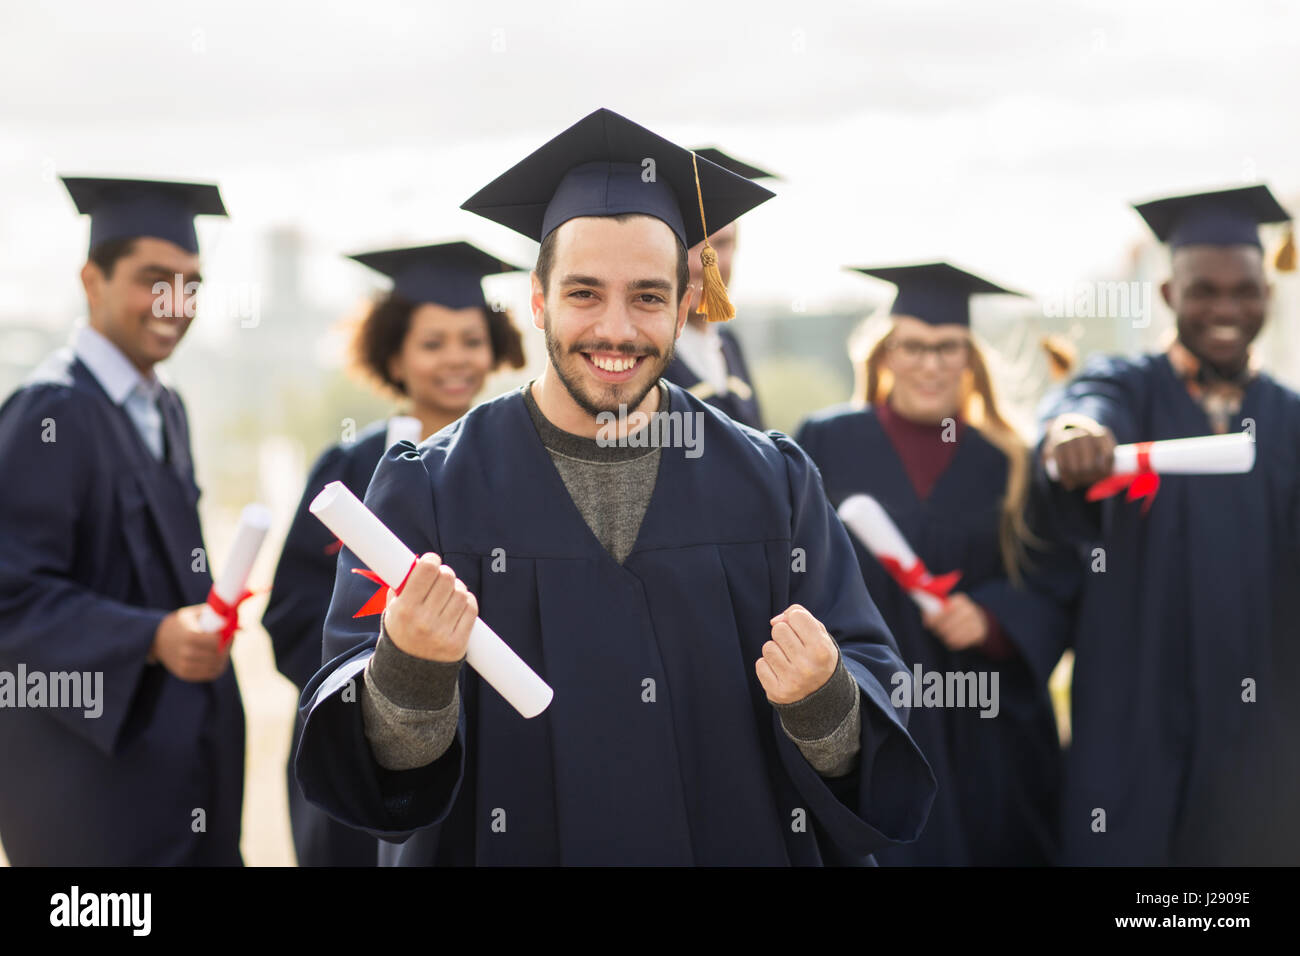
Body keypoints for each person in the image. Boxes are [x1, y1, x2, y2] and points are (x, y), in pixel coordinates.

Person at [294, 108, 936, 865]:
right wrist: (407, 668)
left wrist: (825, 697)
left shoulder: (774, 485)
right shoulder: (428, 493)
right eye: (584, 294)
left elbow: (873, 721)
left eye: (648, 296)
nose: (616, 329)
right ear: (537, 299)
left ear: (686, 300)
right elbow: (378, 781)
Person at [1038, 184, 1300, 865]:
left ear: (1267, 296)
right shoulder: (1129, 389)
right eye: (1202, 290)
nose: (1225, 309)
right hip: (1135, 716)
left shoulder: (1291, 421)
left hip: (1259, 730)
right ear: (1166, 295)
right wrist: (1074, 433)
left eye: (1243, 291)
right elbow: (1084, 406)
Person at [0, 177, 244, 865]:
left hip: (180, 770)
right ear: (92, 280)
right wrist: (152, 636)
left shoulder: (165, 407)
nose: (176, 304)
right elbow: (9, 598)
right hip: (89, 793)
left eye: (191, 284)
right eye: (154, 279)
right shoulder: (52, 413)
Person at [796, 264, 1075, 865]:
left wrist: (995, 619)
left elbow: (1055, 583)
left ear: (969, 358)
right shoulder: (826, 442)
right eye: (913, 346)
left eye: (947, 347)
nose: (930, 363)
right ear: (886, 353)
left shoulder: (1011, 461)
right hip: (866, 701)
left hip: (979, 721)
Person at [263, 241, 525, 866]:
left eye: (470, 339)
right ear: (395, 355)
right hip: (368, 742)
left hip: (492, 744)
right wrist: (371, 688)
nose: (456, 359)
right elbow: (291, 612)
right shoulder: (349, 467)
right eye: (433, 343)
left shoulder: (513, 468)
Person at [660, 146, 774, 428]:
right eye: (689, 245)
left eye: (720, 244)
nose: (704, 264)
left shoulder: (728, 343)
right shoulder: (644, 355)